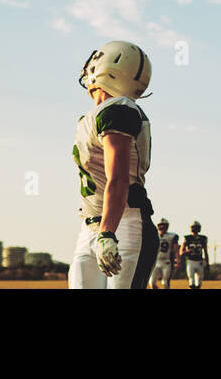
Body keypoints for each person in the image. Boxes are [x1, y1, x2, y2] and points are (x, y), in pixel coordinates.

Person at [68, 40, 158, 289]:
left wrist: (107, 232)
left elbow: (117, 178)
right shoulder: (94, 116)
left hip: (124, 222)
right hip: (92, 225)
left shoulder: (118, 110)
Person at [149, 218, 179, 289]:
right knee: (152, 282)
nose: (162, 227)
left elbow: (175, 250)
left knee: (165, 283)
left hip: (166, 262)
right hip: (155, 262)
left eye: (164, 225)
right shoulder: (154, 236)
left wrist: (177, 259)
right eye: (161, 225)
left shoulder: (171, 236)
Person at [181, 221, 209, 289]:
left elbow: (205, 251)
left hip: (200, 262)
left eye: (196, 227)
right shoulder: (187, 238)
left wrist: (207, 262)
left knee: (199, 283)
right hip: (191, 261)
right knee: (191, 281)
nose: (195, 229)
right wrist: (187, 251)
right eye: (194, 227)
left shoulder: (203, 238)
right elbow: (181, 252)